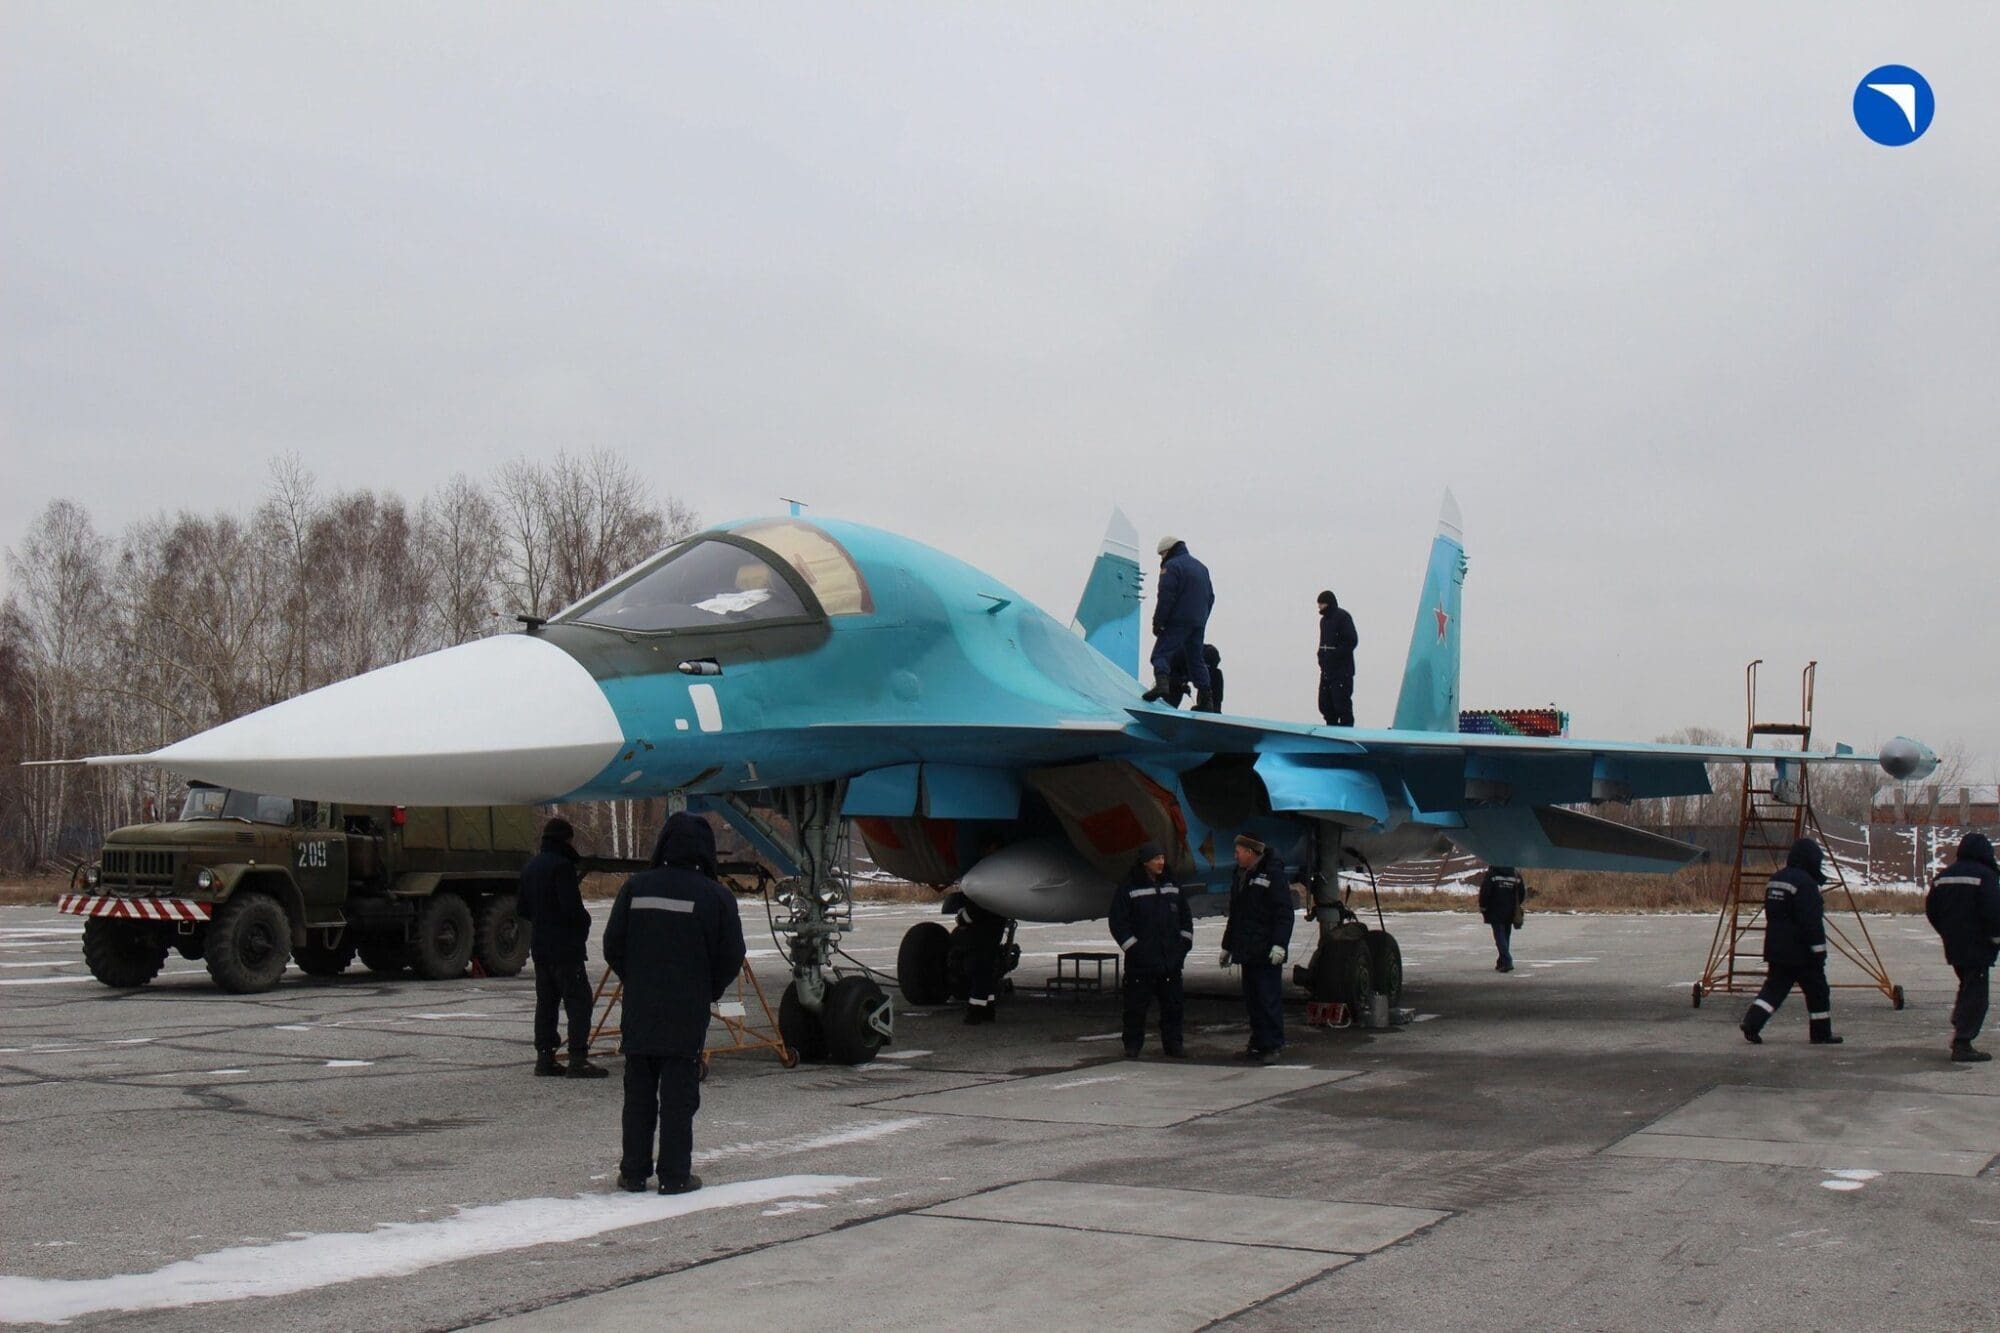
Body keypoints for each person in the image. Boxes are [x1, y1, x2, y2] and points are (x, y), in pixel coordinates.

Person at [602, 812, 747, 1195]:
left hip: (641, 1009)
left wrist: (637, 979)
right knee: (679, 1096)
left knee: (638, 1094)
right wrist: (708, 989)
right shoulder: (717, 896)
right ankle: (674, 1174)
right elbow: (732, 954)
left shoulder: (636, 887)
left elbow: (613, 944)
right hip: (686, 1011)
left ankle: (633, 1172)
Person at [517, 817, 608, 1079]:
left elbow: (522, 908)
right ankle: (578, 1058)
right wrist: (583, 923)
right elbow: (571, 908)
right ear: (565, 840)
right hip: (565, 948)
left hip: (541, 947)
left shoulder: (531, 866)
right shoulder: (562, 867)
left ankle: (545, 1058)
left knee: (546, 1003)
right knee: (579, 1002)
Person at [1740, 838, 1841, 1046]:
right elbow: (1811, 922)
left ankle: (1752, 1022)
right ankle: (1821, 1034)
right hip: (1802, 952)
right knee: (1818, 991)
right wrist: (1819, 951)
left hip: (1776, 948)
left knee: (1774, 989)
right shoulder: (1806, 884)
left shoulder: (1776, 879)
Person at [1109, 842, 1193, 1058]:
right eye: (1156, 859)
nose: (1161, 862)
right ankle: (1132, 1046)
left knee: (1173, 1007)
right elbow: (1118, 923)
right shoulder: (1129, 887)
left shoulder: (1172, 885)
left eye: (1162, 858)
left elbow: (1185, 918)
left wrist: (1183, 946)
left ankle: (1174, 1045)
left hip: (1170, 961)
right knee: (1135, 1008)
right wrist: (1136, 950)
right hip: (1141, 964)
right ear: (1145, 862)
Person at [1925, 832, 2000, 1063]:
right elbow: (1993, 909)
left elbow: (1932, 908)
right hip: (1978, 944)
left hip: (1954, 944)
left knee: (1967, 984)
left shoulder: (1943, 876)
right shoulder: (1985, 876)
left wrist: (1946, 932)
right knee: (1976, 993)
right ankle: (1963, 1042)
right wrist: (1996, 937)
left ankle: (1960, 1021)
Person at [1220, 833, 1295, 1064]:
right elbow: (1236, 914)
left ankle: (1273, 1045)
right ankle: (1258, 1042)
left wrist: (1280, 945)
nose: (1235, 856)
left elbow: (1284, 913)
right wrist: (1227, 946)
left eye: (1238, 852)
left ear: (1250, 852)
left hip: (1266, 951)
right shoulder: (1241, 875)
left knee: (1267, 999)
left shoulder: (1272, 874)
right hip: (1247, 950)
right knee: (1253, 1001)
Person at [1143, 536, 1216, 712]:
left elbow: (1166, 596)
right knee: (1195, 659)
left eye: (1162, 554)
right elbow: (1211, 597)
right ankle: (1206, 700)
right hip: (1198, 622)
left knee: (1160, 654)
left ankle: (1162, 685)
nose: (1162, 558)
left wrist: (1158, 621)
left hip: (1178, 620)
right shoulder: (1201, 568)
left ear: (1169, 551)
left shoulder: (1172, 566)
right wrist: (1201, 619)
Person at [956, 894, 1008, 1025]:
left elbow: (972, 914)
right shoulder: (998, 899)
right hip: (991, 936)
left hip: (979, 938)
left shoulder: (982, 897)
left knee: (978, 972)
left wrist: (961, 916)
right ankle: (987, 1009)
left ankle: (976, 1011)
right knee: (986, 973)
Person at [1316, 591, 1359, 727]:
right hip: (1327, 670)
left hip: (1342, 671)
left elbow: (1351, 640)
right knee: (1325, 703)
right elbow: (1323, 642)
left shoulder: (1343, 617)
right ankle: (1331, 727)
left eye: (1322, 603)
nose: (1319, 607)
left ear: (1328, 603)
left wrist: (1335, 655)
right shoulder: (1323, 621)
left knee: (1342, 703)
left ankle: (1346, 731)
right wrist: (1321, 656)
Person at [1478, 865, 1527, 973]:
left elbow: (1485, 891)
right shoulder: (1515, 874)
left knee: (1499, 936)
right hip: (1510, 910)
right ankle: (1501, 961)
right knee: (1505, 936)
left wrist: (1483, 906)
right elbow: (1522, 892)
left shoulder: (1492, 874)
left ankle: (1507, 961)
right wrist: (1515, 904)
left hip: (1494, 909)